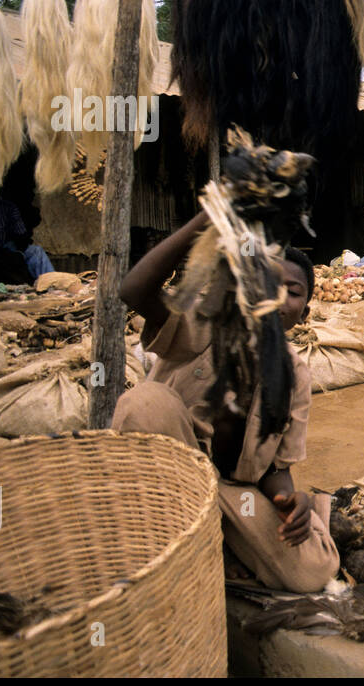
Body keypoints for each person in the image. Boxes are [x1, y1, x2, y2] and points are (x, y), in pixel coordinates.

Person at [113, 211, 338, 593]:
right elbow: (134, 292)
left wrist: (289, 500)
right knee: (147, 403)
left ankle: (216, 540)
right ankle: (195, 541)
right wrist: (201, 223)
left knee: (315, 569)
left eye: (293, 292)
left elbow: (274, 470)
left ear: (305, 313)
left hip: (230, 496)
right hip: (171, 480)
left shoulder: (296, 376)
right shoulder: (205, 324)